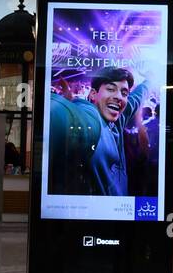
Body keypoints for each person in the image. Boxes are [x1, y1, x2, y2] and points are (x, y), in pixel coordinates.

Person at [47, 66, 148, 197]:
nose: (119, 97)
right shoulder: (90, 116)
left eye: (124, 93)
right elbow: (66, 118)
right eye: (111, 89)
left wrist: (149, 79)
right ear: (93, 94)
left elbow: (137, 97)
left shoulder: (118, 119)